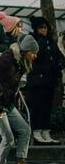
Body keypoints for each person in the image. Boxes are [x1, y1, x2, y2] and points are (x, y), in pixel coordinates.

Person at [0, 33, 39, 164]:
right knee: (8, 137)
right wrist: (0, 92)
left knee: (25, 130)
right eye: (33, 53)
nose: (35, 56)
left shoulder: (21, 62)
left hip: (7, 104)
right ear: (26, 51)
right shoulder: (8, 58)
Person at [27, 16, 63, 144]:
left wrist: (58, 66)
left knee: (47, 107)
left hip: (49, 81)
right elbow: (31, 60)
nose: (44, 30)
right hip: (37, 81)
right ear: (36, 29)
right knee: (38, 107)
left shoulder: (50, 42)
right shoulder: (33, 41)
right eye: (41, 28)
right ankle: (37, 132)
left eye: (45, 28)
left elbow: (59, 57)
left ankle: (46, 132)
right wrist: (44, 69)